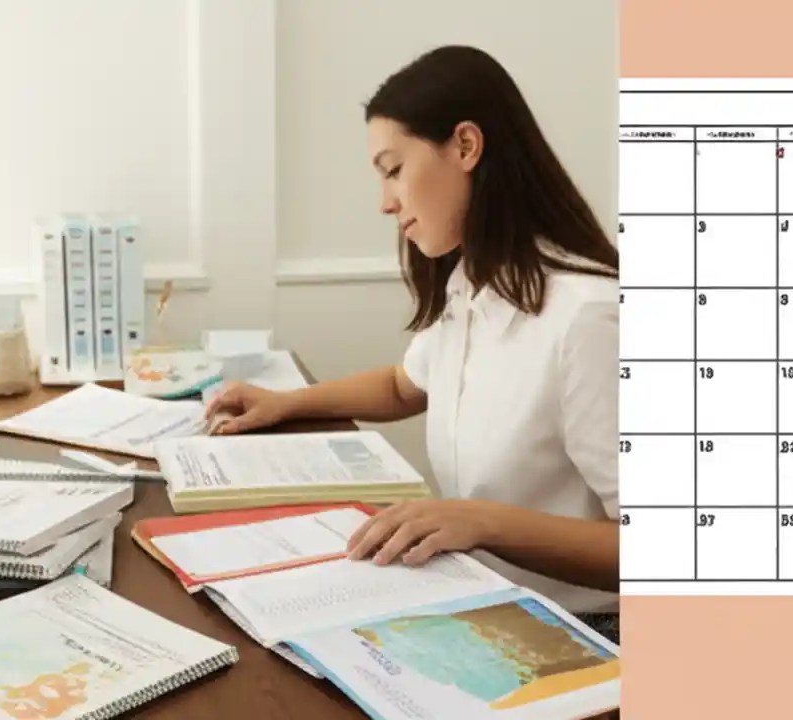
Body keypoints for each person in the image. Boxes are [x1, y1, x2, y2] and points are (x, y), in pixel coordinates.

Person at [203, 45, 621, 641]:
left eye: (393, 169)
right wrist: (286, 403)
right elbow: (404, 386)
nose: (385, 202)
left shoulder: (589, 317)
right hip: (487, 600)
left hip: (589, 629)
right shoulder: (472, 282)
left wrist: (482, 522)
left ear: (466, 147)